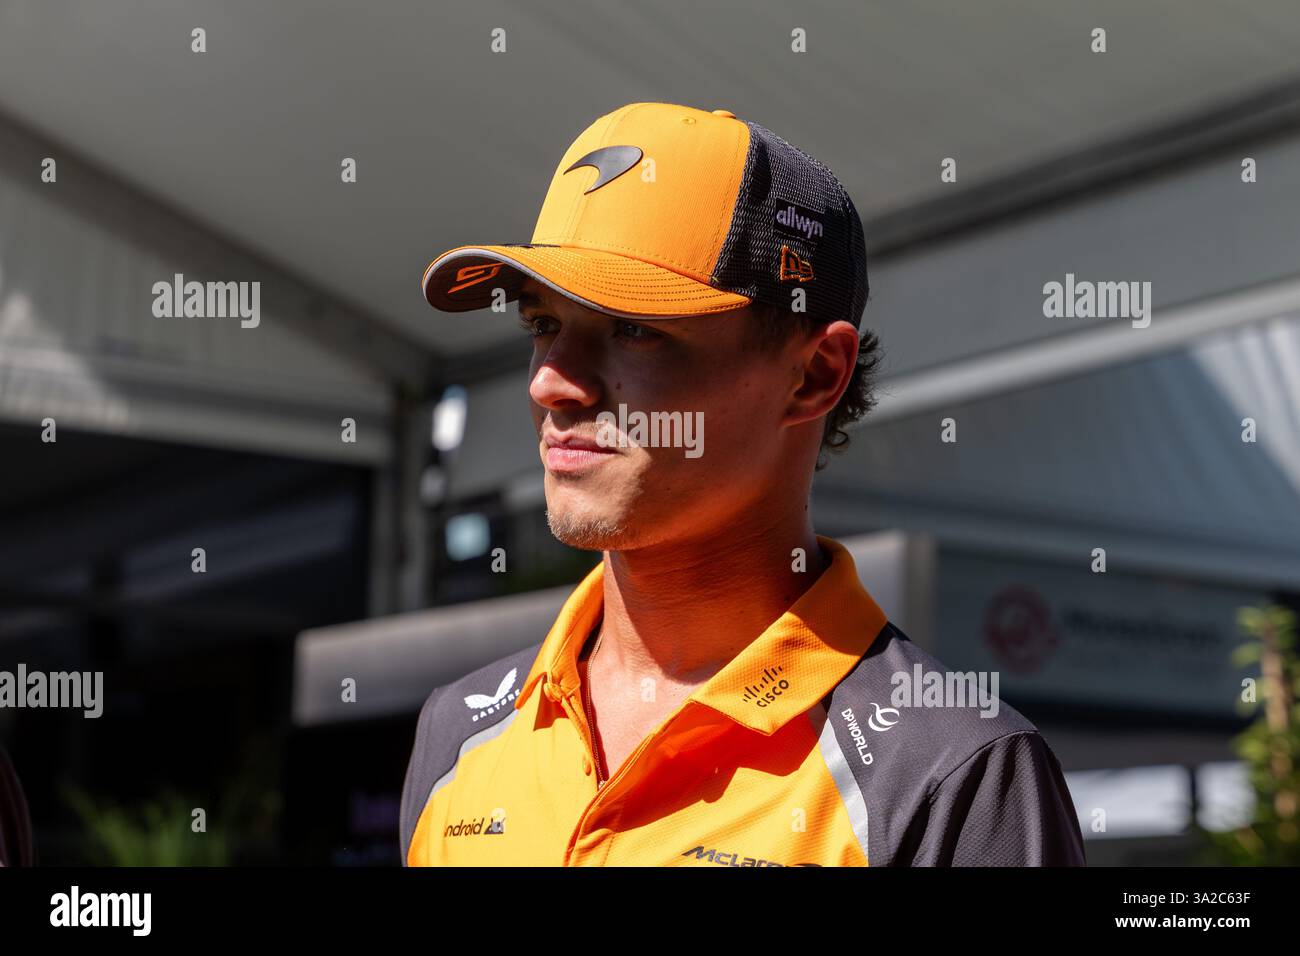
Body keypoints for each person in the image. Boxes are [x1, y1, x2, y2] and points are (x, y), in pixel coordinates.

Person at [401, 102, 1086, 867]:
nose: (552, 383)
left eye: (633, 327)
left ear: (814, 374)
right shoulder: (459, 732)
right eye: (542, 325)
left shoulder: (952, 772)